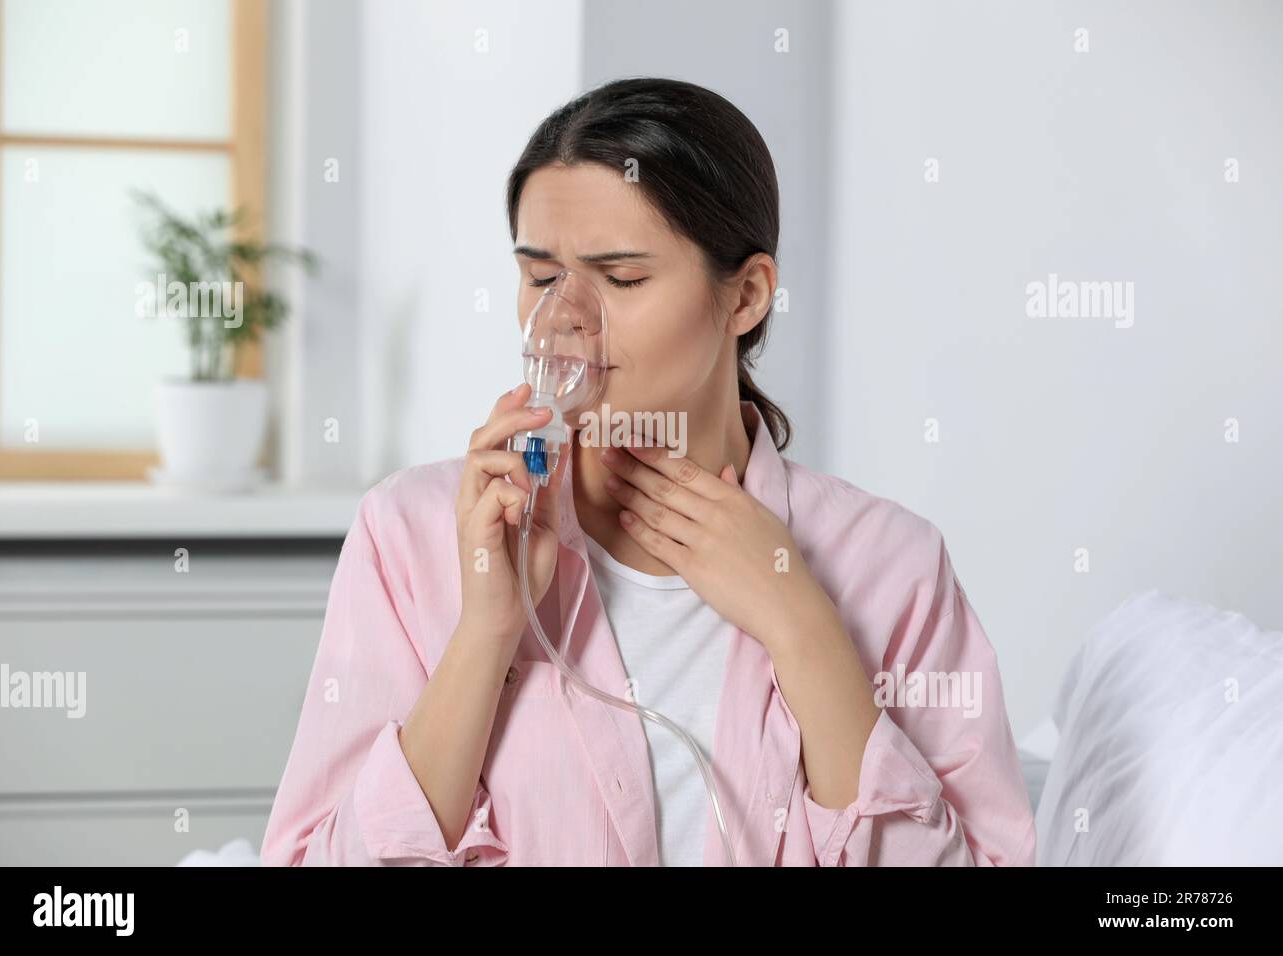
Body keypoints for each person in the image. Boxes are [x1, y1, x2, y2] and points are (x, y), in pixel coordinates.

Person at [260, 77, 1035, 866]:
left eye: (623, 278)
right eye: (540, 277)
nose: (562, 319)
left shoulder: (890, 564)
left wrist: (801, 628)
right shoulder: (412, 534)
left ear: (747, 297)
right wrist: (485, 635)